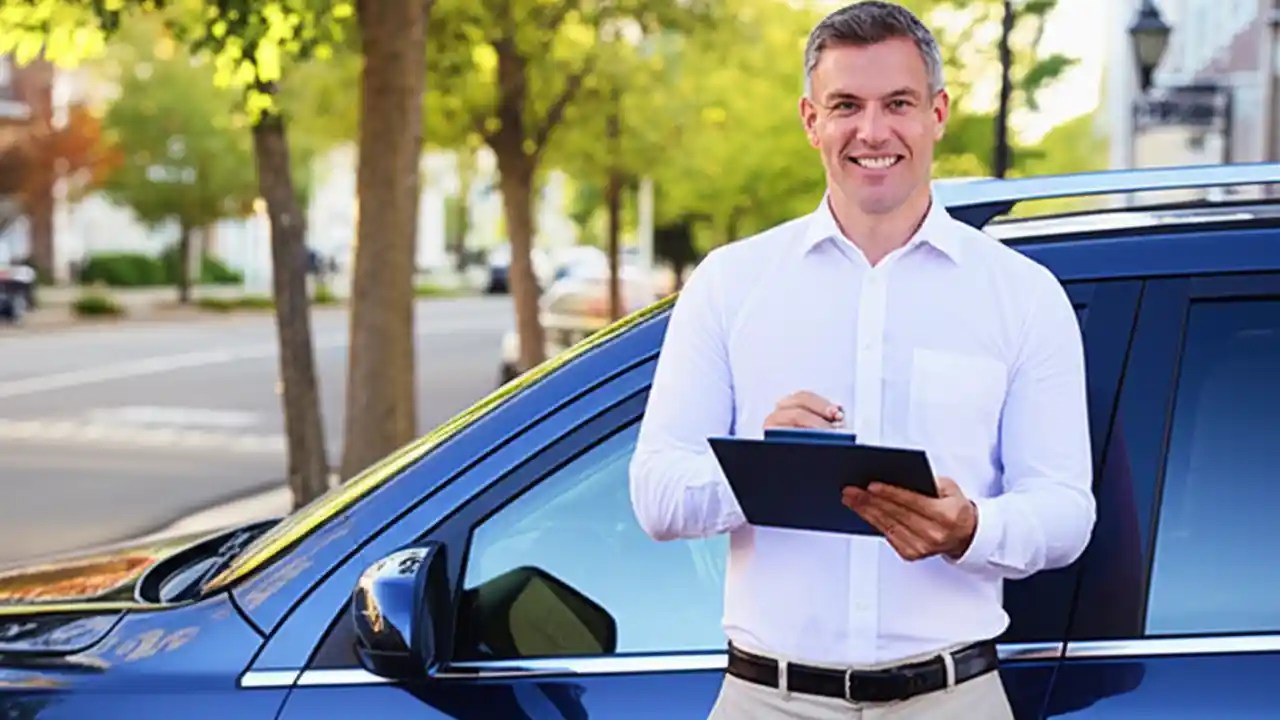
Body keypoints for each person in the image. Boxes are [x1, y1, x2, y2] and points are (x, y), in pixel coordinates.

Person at [627, 2, 1095, 718]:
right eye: (846, 105)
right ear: (811, 119)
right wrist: (761, 463)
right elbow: (657, 495)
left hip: (952, 699)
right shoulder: (730, 282)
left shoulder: (1023, 295)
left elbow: (1065, 511)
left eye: (898, 104)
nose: (872, 132)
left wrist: (972, 529)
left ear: (936, 113)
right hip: (767, 698)